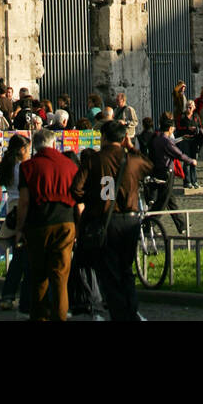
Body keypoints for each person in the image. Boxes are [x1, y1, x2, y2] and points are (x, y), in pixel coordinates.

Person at [72, 118, 153, 321]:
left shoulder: (94, 160)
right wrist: (132, 148)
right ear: (124, 138)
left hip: (105, 221)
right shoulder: (133, 161)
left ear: (104, 137)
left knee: (109, 272)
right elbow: (150, 165)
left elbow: (76, 189)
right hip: (130, 220)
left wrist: (92, 198)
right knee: (126, 268)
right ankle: (131, 309)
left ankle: (120, 314)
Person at [14, 129, 80, 322]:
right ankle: (60, 318)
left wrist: (19, 228)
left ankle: (40, 316)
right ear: (54, 144)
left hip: (38, 224)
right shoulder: (70, 166)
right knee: (60, 278)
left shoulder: (28, 167)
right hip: (66, 222)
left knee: (39, 277)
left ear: (35, 145)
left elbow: (24, 202)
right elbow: (79, 201)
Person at [0, 134, 31, 313]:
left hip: (11, 208)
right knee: (22, 257)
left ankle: (8, 295)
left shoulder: (8, 166)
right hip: (21, 210)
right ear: (22, 150)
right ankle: (11, 295)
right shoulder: (23, 168)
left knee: (19, 256)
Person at [149, 113, 193, 234]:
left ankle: (182, 225)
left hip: (159, 170)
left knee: (170, 199)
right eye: (173, 127)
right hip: (167, 171)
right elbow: (178, 154)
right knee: (163, 200)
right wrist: (191, 161)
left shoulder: (157, 138)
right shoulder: (165, 140)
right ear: (169, 128)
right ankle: (149, 223)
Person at [175, 99, 203, 187]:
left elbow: (200, 126)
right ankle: (187, 181)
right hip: (185, 140)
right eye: (188, 106)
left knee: (194, 160)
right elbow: (178, 128)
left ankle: (194, 180)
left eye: (191, 106)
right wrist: (187, 129)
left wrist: (196, 129)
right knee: (187, 161)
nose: (189, 108)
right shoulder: (182, 116)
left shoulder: (196, 116)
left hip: (194, 140)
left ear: (194, 107)